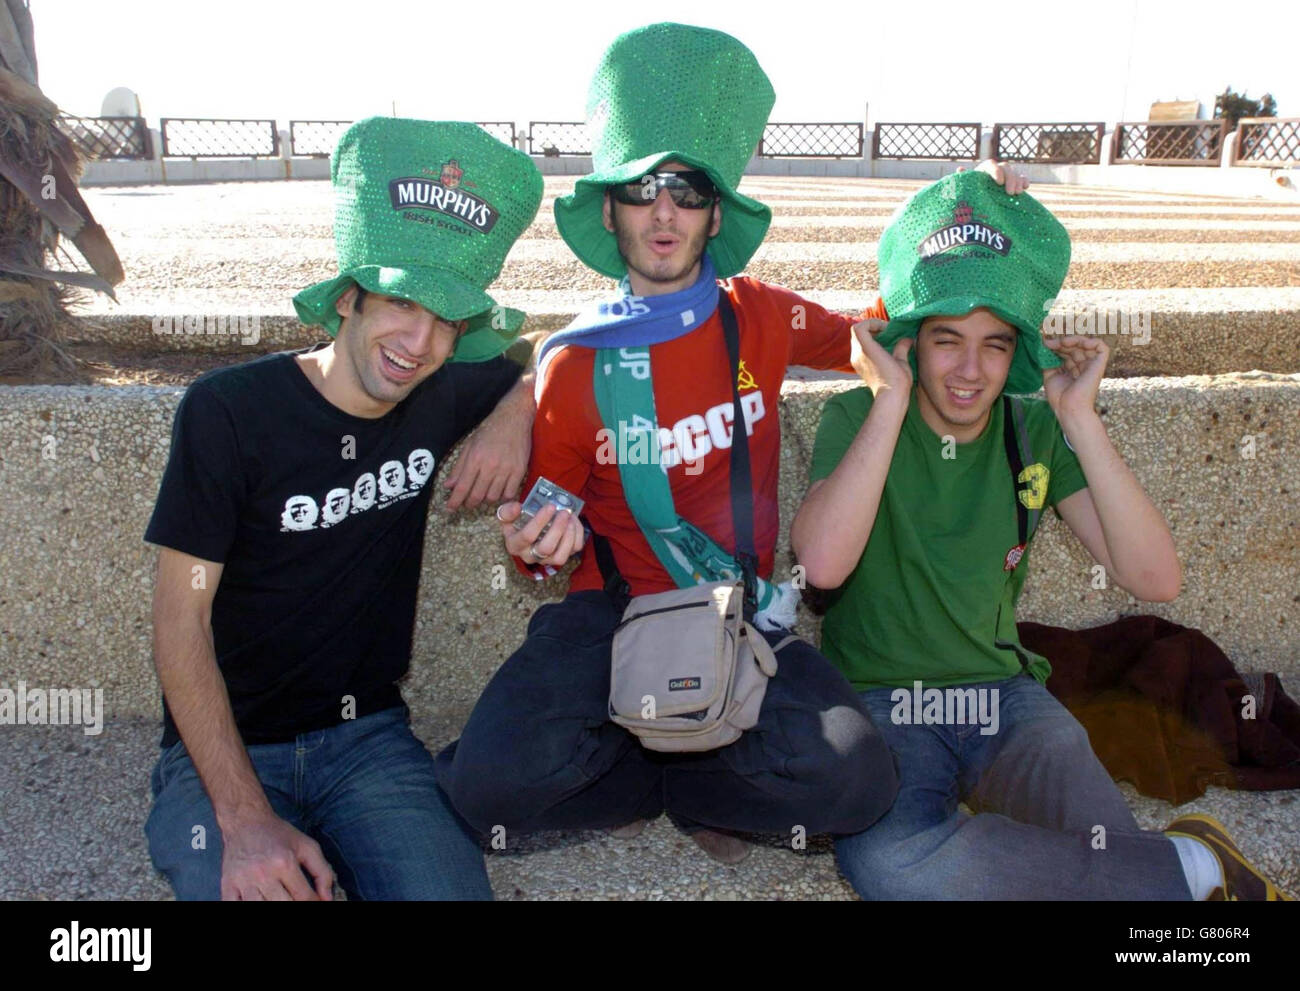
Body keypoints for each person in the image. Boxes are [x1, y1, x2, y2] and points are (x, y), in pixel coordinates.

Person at [437, 21, 1000, 865]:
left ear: (713, 214)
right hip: (610, 616)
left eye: (688, 190)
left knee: (861, 777)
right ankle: (677, 762)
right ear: (611, 209)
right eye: (642, 188)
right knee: (484, 792)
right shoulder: (572, 367)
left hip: (737, 618)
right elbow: (543, 555)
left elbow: (883, 333)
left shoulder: (761, 316)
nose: (664, 211)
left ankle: (680, 780)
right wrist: (531, 548)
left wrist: (970, 206)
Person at [791, 168, 1292, 900]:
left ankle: (1159, 876)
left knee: (1104, 856)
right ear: (910, 344)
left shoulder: (1033, 431)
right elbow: (824, 566)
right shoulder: (857, 419)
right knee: (893, 865)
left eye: (995, 345)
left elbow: (1156, 578)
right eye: (945, 340)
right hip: (886, 700)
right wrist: (889, 400)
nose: (969, 371)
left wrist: (1079, 418)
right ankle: (1195, 868)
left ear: (1015, 352)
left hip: (1007, 697)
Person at [143, 118, 544, 900]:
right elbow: (177, 623)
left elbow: (557, 352)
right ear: (349, 297)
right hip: (227, 746)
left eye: (446, 319)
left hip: (366, 739)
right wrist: (245, 819)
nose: (419, 341)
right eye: (400, 300)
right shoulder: (227, 412)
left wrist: (514, 410)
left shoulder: (440, 390)